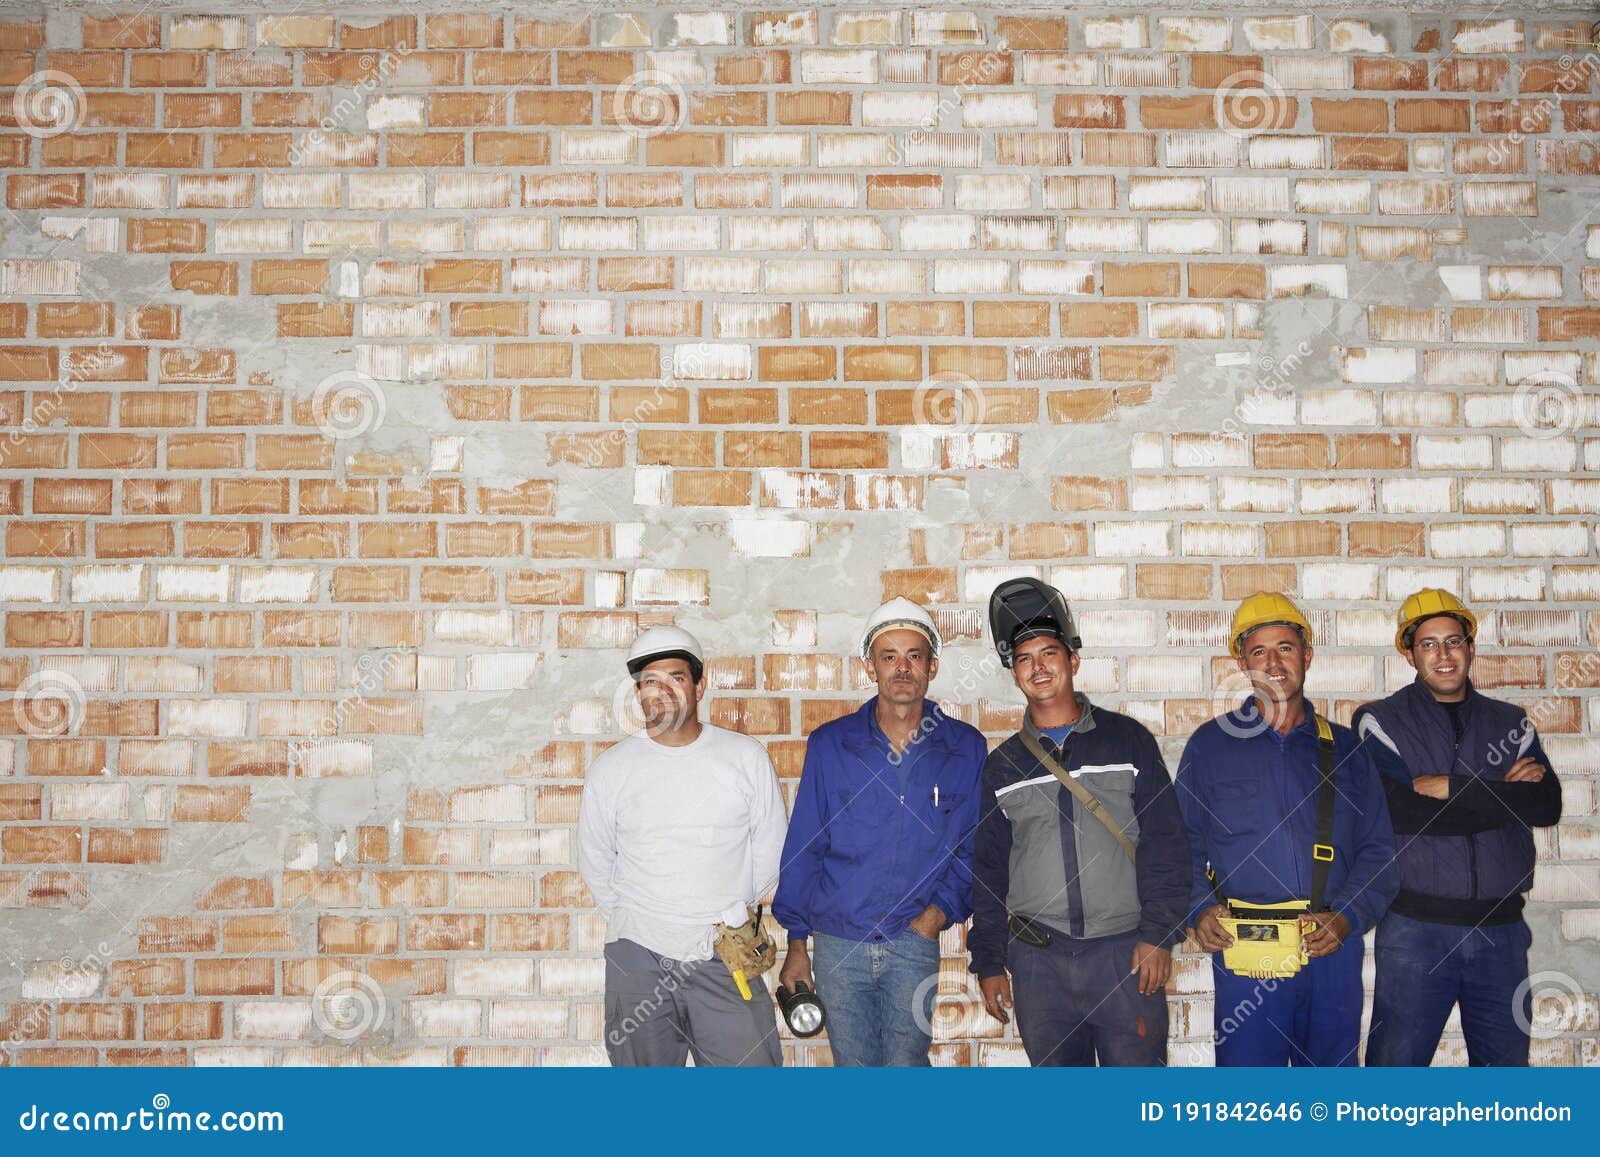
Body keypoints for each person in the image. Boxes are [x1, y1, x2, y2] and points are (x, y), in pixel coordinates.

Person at [970, 578, 1191, 1066]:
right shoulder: (1002, 765)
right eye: (1024, 658)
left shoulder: (1127, 741)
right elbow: (987, 873)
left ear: (1073, 661)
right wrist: (988, 961)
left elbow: (1166, 844)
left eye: (1049, 653)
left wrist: (1158, 935)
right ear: (1014, 674)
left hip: (1124, 956)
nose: (1038, 667)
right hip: (1038, 964)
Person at [1176, 593, 1398, 1067]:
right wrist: (1198, 910)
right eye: (1259, 651)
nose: (1274, 663)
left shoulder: (1346, 750)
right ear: (1243, 663)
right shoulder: (1211, 746)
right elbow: (1181, 843)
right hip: (1246, 947)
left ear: (1307, 656)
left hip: (1329, 947)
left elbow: (1380, 850)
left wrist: (1347, 918)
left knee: (1330, 1098)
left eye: (1286, 648)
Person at [773, 598, 986, 1066]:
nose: (902, 668)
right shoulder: (832, 745)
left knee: (906, 1069)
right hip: (838, 943)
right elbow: (806, 846)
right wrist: (795, 944)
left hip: (913, 940)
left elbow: (975, 846)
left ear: (932, 665)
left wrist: (936, 917)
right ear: (870, 668)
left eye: (914, 655)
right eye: (889, 656)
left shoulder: (965, 747)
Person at [1356, 589, 1562, 1066]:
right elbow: (1403, 814)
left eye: (1453, 641)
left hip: (1502, 933)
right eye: (1428, 644)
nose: (1443, 656)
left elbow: (1546, 805)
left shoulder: (1511, 722)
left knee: (1504, 1079)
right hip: (1415, 930)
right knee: (1395, 1078)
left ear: (1471, 647)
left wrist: (1451, 786)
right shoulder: (1379, 720)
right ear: (1409, 653)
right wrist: (1504, 795)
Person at [578, 626, 787, 1066]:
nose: (663, 690)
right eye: (650, 681)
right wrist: (639, 919)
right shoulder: (611, 769)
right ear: (637, 693)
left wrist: (727, 913)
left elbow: (771, 852)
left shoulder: (744, 757)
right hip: (638, 953)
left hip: (724, 950)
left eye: (675, 677)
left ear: (700, 684)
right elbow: (595, 860)